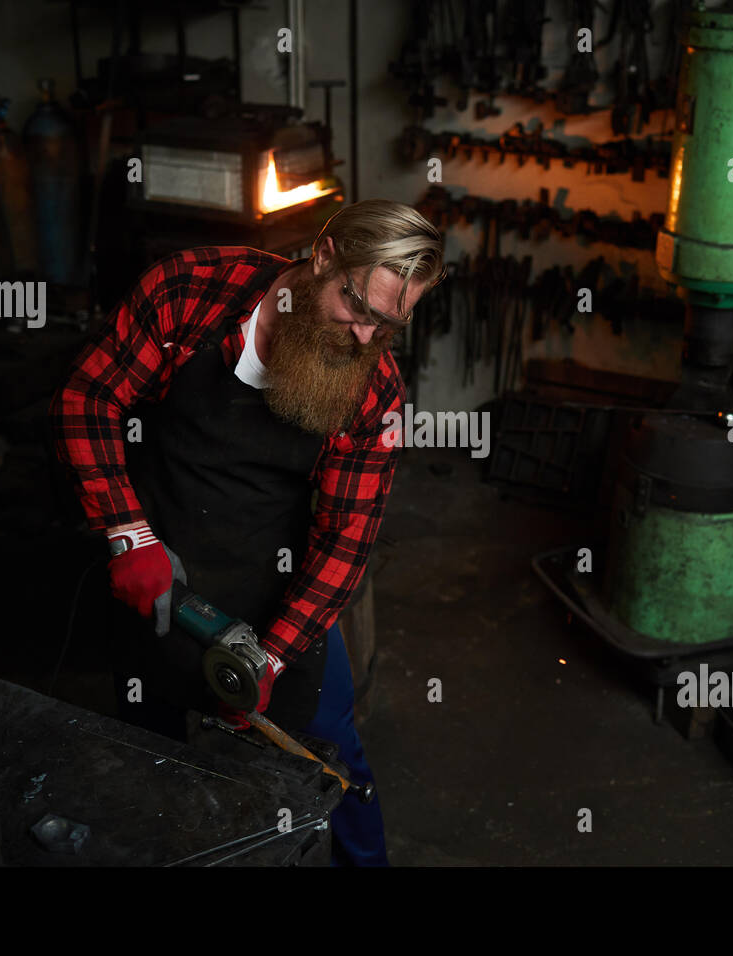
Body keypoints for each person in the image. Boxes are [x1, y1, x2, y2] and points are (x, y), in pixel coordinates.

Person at [49, 199, 445, 866]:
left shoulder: (374, 389)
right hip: (158, 559)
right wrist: (126, 533)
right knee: (149, 746)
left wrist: (275, 654)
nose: (363, 338)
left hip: (276, 573)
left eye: (388, 326)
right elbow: (90, 397)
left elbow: (346, 542)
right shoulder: (190, 290)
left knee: (330, 748)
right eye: (357, 307)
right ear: (323, 258)